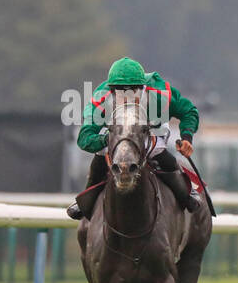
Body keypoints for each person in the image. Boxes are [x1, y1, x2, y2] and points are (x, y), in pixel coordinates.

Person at [66, 57, 201, 220]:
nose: (126, 96)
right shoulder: (102, 97)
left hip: (150, 131)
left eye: (132, 91)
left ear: (142, 87)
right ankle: (85, 200)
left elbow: (188, 111)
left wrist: (187, 137)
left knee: (157, 152)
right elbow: (84, 138)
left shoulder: (159, 93)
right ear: (112, 90)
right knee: (101, 156)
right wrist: (108, 140)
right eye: (120, 91)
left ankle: (186, 193)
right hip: (116, 133)